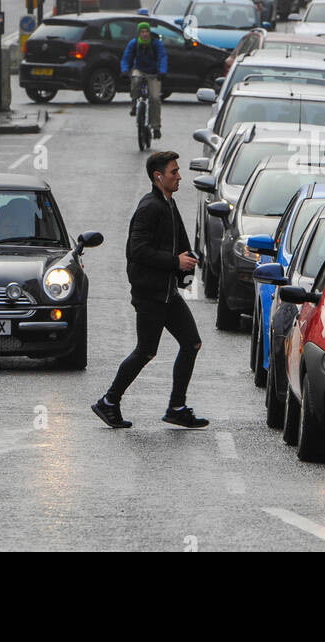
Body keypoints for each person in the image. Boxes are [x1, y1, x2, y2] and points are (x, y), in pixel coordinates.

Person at [91, 151, 208, 430]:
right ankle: (109, 402)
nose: (179, 176)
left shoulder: (169, 203)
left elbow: (179, 241)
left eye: (178, 171)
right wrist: (174, 261)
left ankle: (176, 407)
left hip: (168, 293)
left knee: (192, 343)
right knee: (145, 351)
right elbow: (137, 250)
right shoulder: (149, 207)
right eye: (173, 172)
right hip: (150, 295)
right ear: (158, 177)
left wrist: (187, 263)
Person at [121, 21, 168, 139]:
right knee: (135, 80)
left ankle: (156, 127)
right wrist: (125, 70)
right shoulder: (134, 43)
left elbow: (163, 57)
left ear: (150, 32)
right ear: (139, 33)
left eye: (147, 31)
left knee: (155, 98)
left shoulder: (156, 44)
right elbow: (126, 57)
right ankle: (134, 103)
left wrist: (162, 71)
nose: (145, 34)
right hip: (139, 70)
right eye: (142, 32)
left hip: (153, 73)